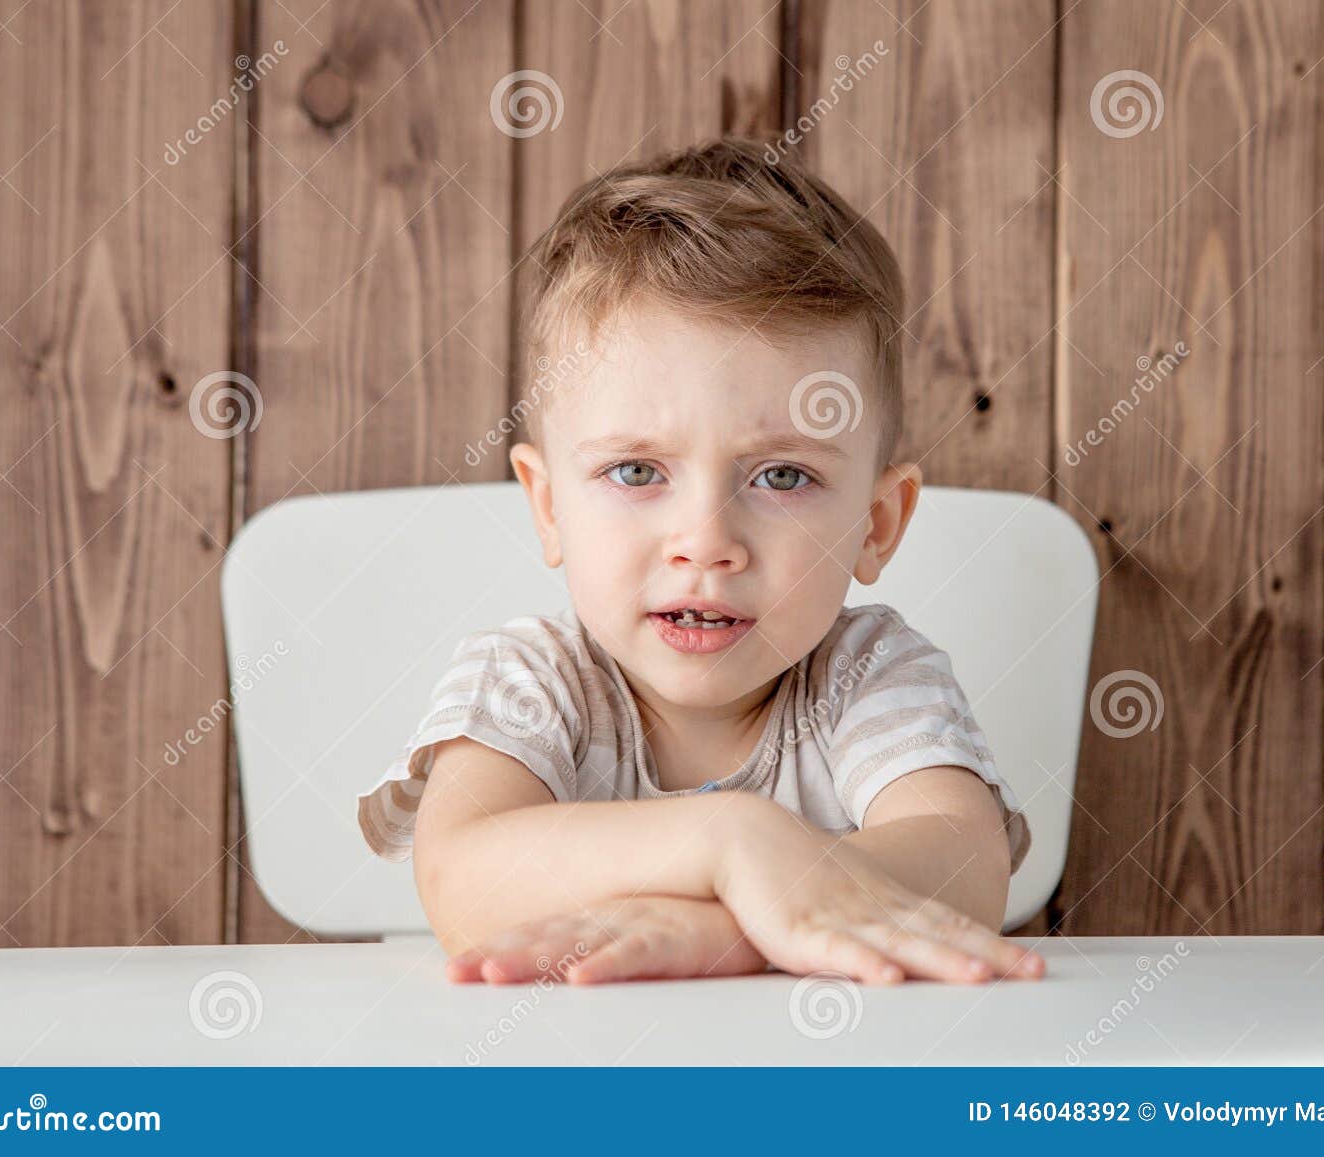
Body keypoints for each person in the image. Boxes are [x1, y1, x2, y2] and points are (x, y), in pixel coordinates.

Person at [356, 137, 1045, 987]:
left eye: (782, 475)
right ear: (547, 505)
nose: (706, 540)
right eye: (637, 471)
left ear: (875, 524)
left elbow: (965, 870)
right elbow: (462, 879)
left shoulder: (868, 676)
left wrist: (720, 935)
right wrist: (733, 842)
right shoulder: (529, 681)